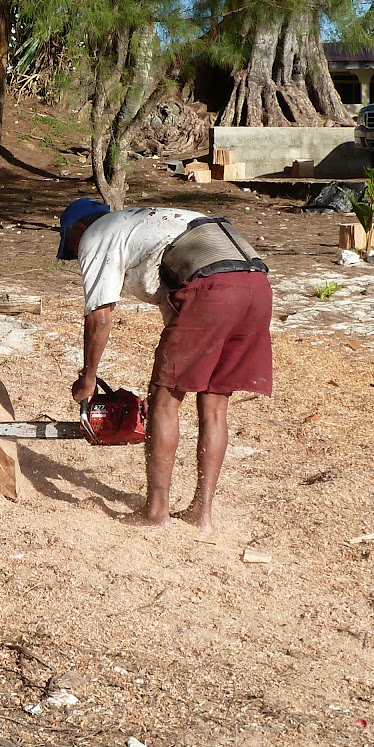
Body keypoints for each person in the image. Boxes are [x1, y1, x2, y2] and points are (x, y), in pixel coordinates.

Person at [57, 196, 273, 532]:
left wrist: (89, 378)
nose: (76, 255)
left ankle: (155, 513)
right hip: (256, 284)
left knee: (164, 400)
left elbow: (99, 318)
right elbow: (179, 312)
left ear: (77, 229)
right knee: (214, 405)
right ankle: (201, 514)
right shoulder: (149, 223)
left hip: (211, 288)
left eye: (71, 246)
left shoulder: (96, 234)